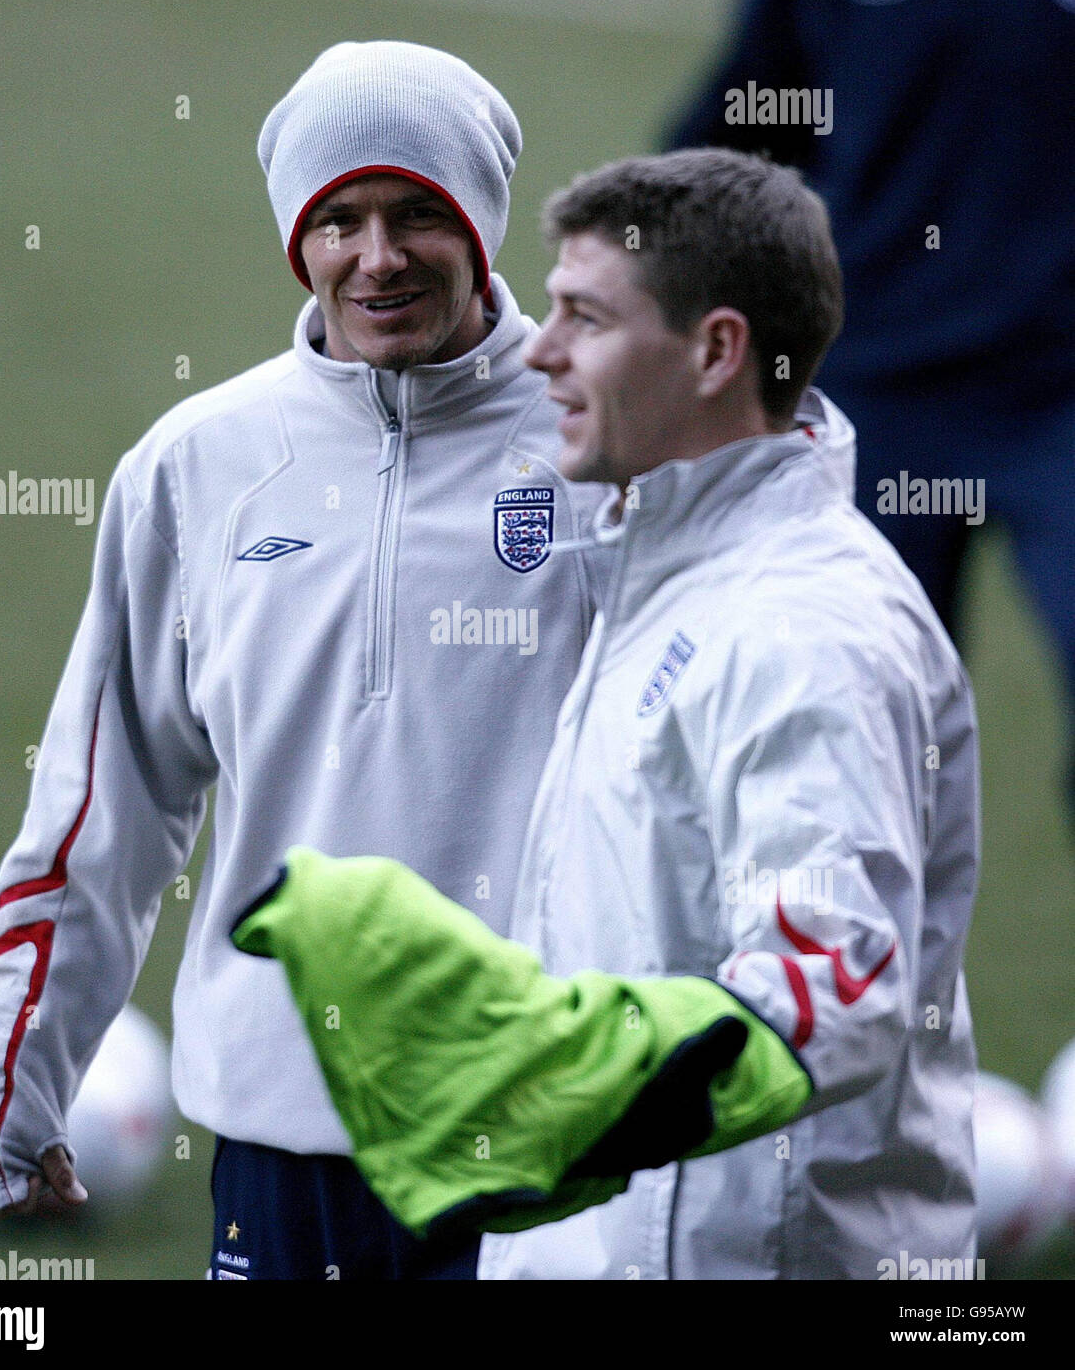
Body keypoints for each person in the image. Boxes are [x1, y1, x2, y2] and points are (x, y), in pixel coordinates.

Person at [241, 148, 982, 1280]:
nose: (539, 348)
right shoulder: (662, 570)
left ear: (716, 349)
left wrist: (557, 1078)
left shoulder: (801, 631)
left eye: (585, 317)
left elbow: (832, 985)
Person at [0, 40, 608, 1281]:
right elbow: (106, 807)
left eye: (420, 213)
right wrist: (12, 1090)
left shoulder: (607, 439)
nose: (379, 257)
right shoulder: (196, 465)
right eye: (341, 219)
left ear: (481, 226)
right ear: (296, 241)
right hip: (276, 1143)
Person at [661, 0, 1075, 819]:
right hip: (873, 391)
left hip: (1060, 395)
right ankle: (846, 949)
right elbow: (745, 126)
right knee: (848, 734)